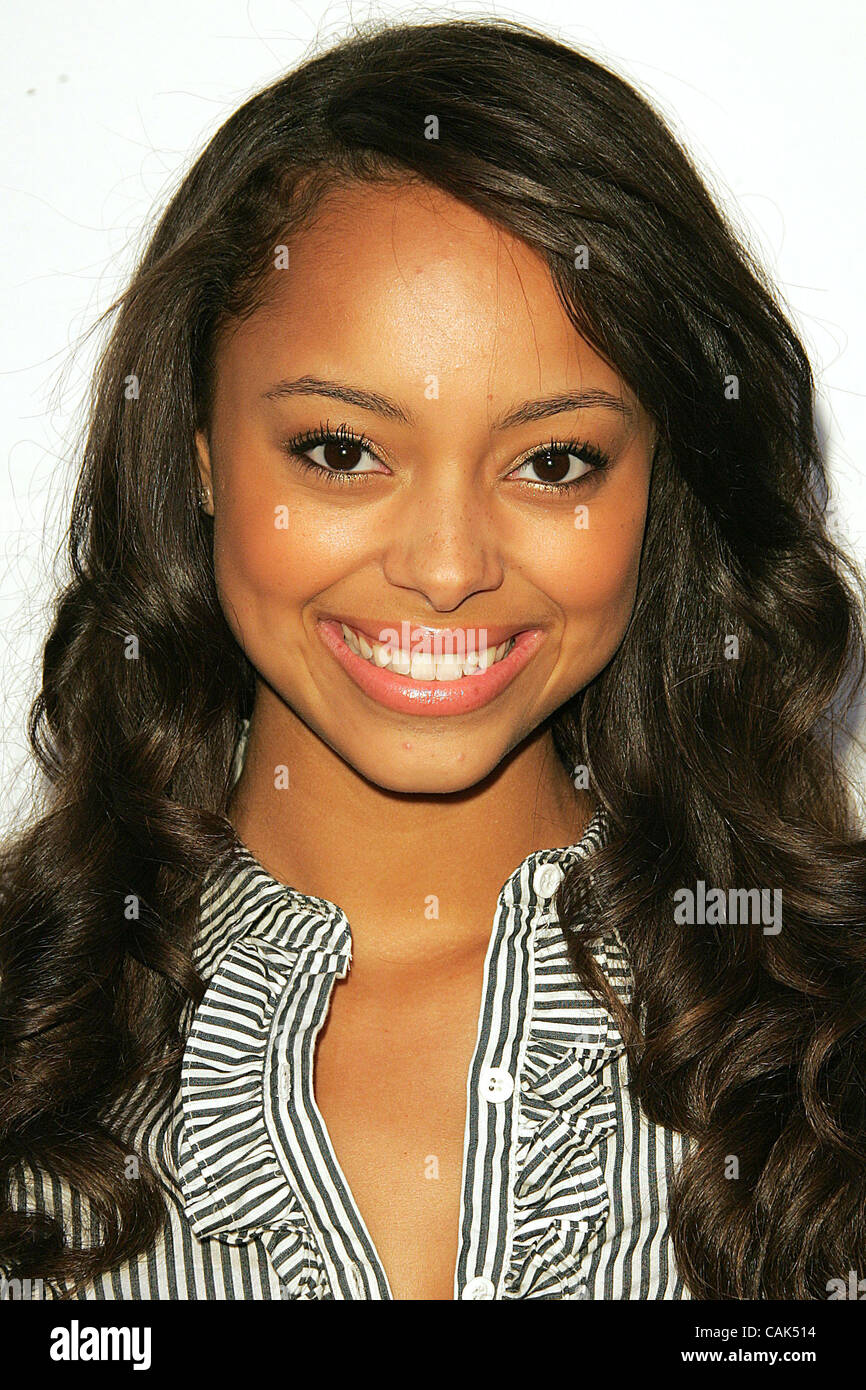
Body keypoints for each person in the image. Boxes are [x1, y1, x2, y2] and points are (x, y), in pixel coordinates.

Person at [1, 16, 864, 1302]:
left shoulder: (831, 1045)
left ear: (658, 490)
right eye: (341, 450)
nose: (448, 563)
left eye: (553, 461)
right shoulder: (26, 1029)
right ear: (193, 444)